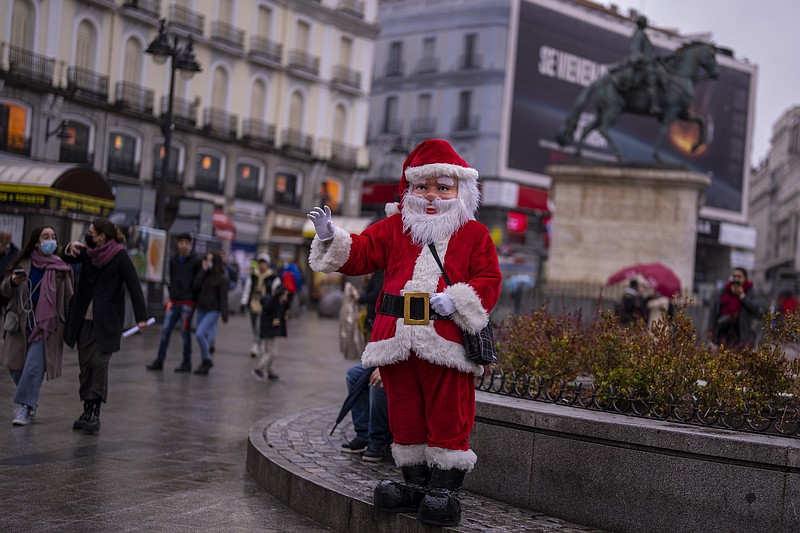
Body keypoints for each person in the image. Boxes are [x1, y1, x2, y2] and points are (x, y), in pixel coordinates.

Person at [307, 139, 502, 526]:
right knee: (405, 415)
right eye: (422, 187)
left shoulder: (475, 234)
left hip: (445, 343)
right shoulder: (396, 228)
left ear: (460, 190)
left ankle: (443, 490)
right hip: (397, 341)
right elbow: (363, 252)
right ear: (409, 190)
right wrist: (331, 236)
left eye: (442, 187)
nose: (431, 196)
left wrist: (457, 299)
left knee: (449, 415)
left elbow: (490, 280)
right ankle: (415, 484)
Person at [63, 218, 149, 434]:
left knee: (100, 364)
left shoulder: (119, 256)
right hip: (84, 320)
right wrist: (69, 247)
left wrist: (142, 317)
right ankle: (86, 409)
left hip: (108, 322)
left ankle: (95, 412)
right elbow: (64, 257)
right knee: (86, 367)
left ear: (103, 235)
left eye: (92, 232)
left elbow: (134, 286)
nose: (89, 235)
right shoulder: (87, 253)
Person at [1, 226, 74, 426]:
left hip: (46, 326)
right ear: (36, 242)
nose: (50, 240)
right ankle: (31, 399)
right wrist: (13, 282)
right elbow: (5, 291)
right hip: (21, 321)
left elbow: (69, 300)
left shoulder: (61, 269)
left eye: (53, 237)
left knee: (33, 366)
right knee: (15, 367)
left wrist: (72, 325)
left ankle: (23, 407)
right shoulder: (22, 263)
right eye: (45, 237)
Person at [146, 233, 200, 372]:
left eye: (186, 242)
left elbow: (197, 282)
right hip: (174, 301)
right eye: (181, 242)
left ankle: (187, 363)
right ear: (177, 244)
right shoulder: (174, 260)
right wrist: (171, 294)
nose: (183, 245)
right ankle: (159, 360)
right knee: (165, 331)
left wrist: (193, 297)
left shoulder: (195, 261)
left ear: (190, 244)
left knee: (184, 333)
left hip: (187, 303)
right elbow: (171, 278)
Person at [341, 364, 393, 462]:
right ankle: (363, 436)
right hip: (383, 361)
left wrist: (388, 368)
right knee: (354, 374)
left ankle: (377, 441)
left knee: (377, 384)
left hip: (403, 365)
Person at [706, 267, 763, 350]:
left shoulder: (750, 291)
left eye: (739, 277)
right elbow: (714, 309)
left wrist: (742, 296)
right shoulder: (725, 290)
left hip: (743, 332)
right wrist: (710, 327)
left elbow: (756, 310)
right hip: (724, 330)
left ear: (745, 278)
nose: (736, 279)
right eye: (734, 276)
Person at [192, 252, 229, 375]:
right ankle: (204, 361)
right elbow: (195, 286)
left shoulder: (222, 278)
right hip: (201, 308)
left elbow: (223, 298)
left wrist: (224, 314)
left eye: (210, 260)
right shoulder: (204, 274)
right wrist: (203, 271)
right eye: (206, 260)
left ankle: (207, 359)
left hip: (213, 310)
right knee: (204, 337)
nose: (208, 263)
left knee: (199, 334)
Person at [241, 254, 280, 358]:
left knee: (259, 326)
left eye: (264, 263)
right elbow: (248, 289)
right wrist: (244, 302)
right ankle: (259, 341)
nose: (262, 265)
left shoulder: (273, 277)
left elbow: (276, 291)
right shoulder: (253, 276)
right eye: (260, 263)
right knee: (254, 326)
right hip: (253, 303)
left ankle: (255, 346)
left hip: (265, 306)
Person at [252, 283, 288, 381]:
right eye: (285, 295)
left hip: (271, 331)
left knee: (270, 351)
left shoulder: (279, 303)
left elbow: (280, 319)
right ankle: (259, 368)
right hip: (268, 331)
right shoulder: (273, 303)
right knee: (272, 352)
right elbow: (270, 318)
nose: (286, 297)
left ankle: (270, 371)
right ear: (280, 295)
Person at [628, 15, 663, 114]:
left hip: (646, 62)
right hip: (639, 64)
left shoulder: (642, 35)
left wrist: (654, 57)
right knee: (651, 76)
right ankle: (653, 105)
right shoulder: (639, 35)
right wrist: (646, 59)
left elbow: (648, 51)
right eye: (645, 22)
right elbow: (635, 51)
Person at [0, 229, 20, 310]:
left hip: (7, 284)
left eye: (7, 238)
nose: (5, 240)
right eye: (3, 238)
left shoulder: (15, 252)